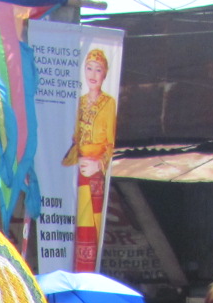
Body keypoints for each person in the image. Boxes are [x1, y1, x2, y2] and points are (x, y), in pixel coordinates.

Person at [62, 47, 117, 272]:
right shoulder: (80, 102)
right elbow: (75, 139)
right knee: (74, 227)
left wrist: (97, 164)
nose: (93, 74)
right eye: (89, 68)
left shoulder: (109, 103)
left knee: (90, 230)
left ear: (105, 74)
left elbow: (110, 144)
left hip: (95, 175)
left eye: (98, 69)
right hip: (77, 171)